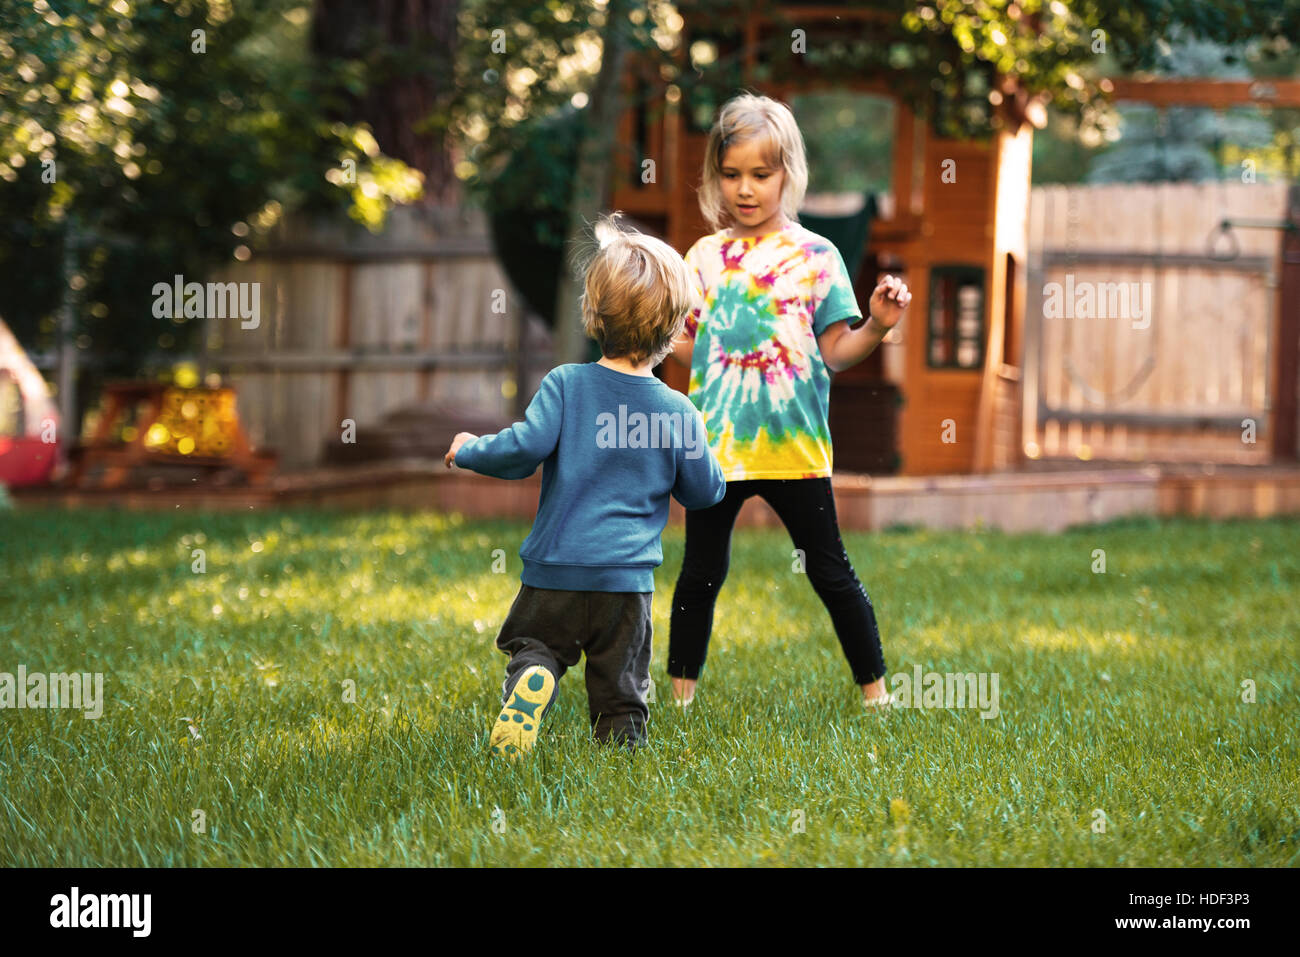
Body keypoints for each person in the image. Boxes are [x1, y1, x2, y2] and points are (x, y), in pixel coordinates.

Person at [445, 214, 726, 756]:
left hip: (557, 572)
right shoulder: (679, 412)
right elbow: (703, 493)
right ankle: (620, 748)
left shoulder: (566, 386)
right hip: (625, 584)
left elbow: (522, 450)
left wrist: (469, 449)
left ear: (594, 313)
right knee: (621, 686)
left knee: (537, 644)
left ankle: (536, 675)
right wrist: (703, 447)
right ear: (676, 327)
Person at [666, 93, 912, 710]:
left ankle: (877, 696)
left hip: (795, 449)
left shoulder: (817, 256)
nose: (744, 189)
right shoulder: (703, 259)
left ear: (788, 174)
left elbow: (836, 351)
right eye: (731, 174)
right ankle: (679, 699)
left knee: (831, 572)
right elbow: (689, 354)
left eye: (760, 174)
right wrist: (658, 335)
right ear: (714, 177)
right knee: (700, 575)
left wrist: (878, 326)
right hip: (717, 451)